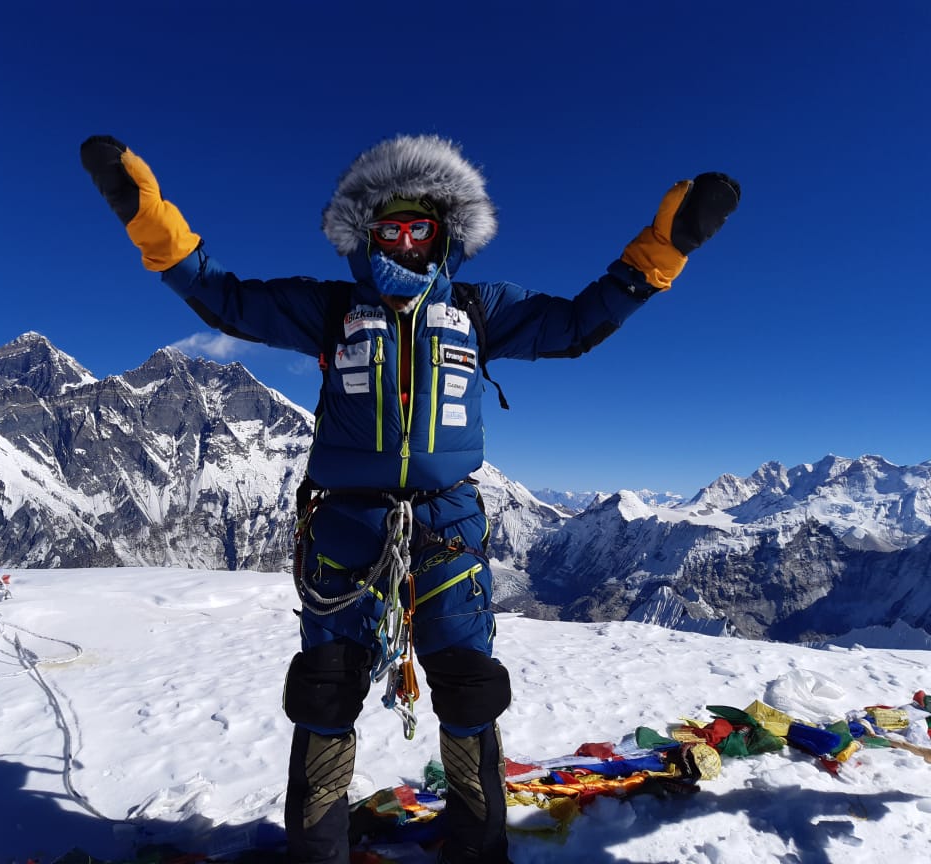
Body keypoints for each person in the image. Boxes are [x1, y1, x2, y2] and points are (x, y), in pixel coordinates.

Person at [81, 133, 739, 864]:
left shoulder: (481, 310)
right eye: (388, 229)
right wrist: (150, 222)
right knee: (325, 692)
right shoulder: (330, 309)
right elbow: (223, 298)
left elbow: (579, 324)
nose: (402, 243)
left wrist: (661, 251)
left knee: (469, 690)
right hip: (345, 525)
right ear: (364, 235)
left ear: (444, 235)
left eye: (418, 229)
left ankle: (478, 852)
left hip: (446, 525)